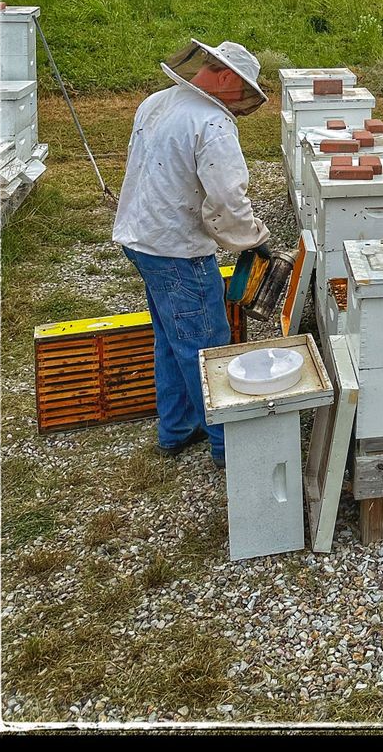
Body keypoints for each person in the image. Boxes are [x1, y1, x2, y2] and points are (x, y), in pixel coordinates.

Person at [113, 40, 271, 469]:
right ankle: (226, 448)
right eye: (242, 90)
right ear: (224, 77)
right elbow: (227, 201)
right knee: (207, 348)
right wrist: (253, 239)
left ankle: (177, 429)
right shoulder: (212, 123)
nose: (241, 101)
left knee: (170, 338)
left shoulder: (157, 102)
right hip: (176, 251)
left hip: (140, 239)